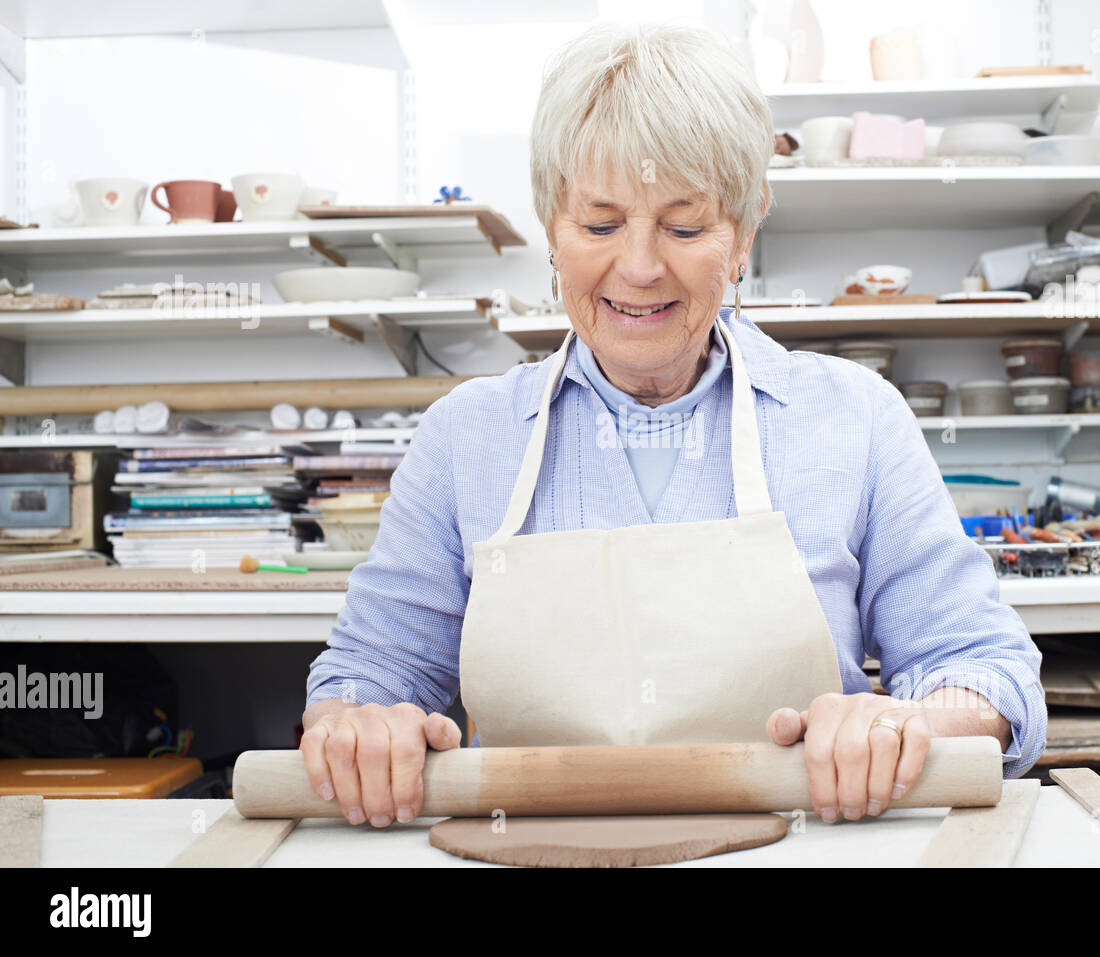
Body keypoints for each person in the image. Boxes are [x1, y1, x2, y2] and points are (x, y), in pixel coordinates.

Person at [302, 22, 1045, 829]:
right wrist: (360, 724)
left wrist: (909, 723)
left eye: (685, 227)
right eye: (599, 225)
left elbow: (986, 670)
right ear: (552, 222)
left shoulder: (854, 420)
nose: (641, 266)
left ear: (744, 231)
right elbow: (365, 673)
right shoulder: (466, 438)